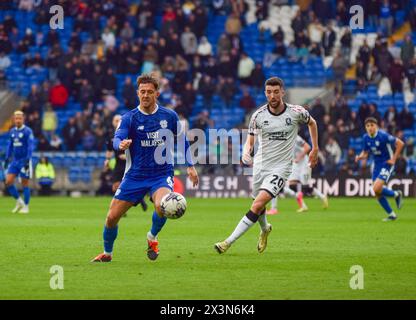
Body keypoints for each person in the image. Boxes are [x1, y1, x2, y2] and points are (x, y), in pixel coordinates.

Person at [92, 74, 199, 262]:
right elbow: (116, 139)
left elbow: (182, 139)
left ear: (157, 94)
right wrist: (121, 145)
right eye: (142, 92)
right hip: (135, 175)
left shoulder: (169, 116)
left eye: (150, 92)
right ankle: (107, 253)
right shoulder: (129, 118)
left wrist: (190, 165)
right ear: (137, 93)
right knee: (111, 218)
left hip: (161, 174)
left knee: (162, 206)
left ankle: (152, 237)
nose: (146, 95)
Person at [214, 77, 319, 254]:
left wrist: (315, 148)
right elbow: (250, 139)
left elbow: (312, 123)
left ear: (282, 92)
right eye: (269, 92)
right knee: (258, 204)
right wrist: (246, 151)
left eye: (276, 92)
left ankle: (227, 242)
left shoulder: (295, 112)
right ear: (265, 93)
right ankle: (265, 229)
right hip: (260, 166)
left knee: (256, 206)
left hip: (281, 168)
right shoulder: (258, 115)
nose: (272, 95)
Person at [355, 117, 404, 221]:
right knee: (377, 193)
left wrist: (394, 159)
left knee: (376, 188)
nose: (370, 128)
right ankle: (392, 214)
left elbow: (400, 143)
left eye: (372, 125)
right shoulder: (365, 138)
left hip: (387, 164)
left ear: (376, 126)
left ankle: (396, 194)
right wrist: (360, 156)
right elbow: (365, 152)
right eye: (367, 126)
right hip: (376, 166)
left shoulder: (383, 136)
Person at [267, 135, 328, 215]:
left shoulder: (295, 137)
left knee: (305, 187)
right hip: (295, 164)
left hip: (304, 163)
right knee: (292, 186)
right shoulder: (282, 138)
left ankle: (322, 197)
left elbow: (307, 147)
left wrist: (300, 156)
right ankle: (303, 206)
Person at [104, 114, 148, 214]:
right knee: (115, 186)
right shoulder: (111, 136)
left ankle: (138, 200)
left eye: (119, 120)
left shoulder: (129, 133)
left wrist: (128, 156)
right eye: (115, 120)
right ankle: (127, 206)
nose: (117, 122)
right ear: (112, 122)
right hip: (118, 165)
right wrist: (107, 159)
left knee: (129, 185)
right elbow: (109, 150)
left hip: (129, 163)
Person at [4, 111, 35, 214]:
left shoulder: (28, 131)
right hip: (15, 161)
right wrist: (7, 157)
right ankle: (19, 202)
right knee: (8, 181)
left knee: (25, 184)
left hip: (24, 160)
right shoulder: (12, 131)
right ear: (14, 119)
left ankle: (26, 207)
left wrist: (28, 158)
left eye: (19, 118)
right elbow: (10, 145)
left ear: (23, 119)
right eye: (16, 118)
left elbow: (30, 146)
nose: (17, 120)